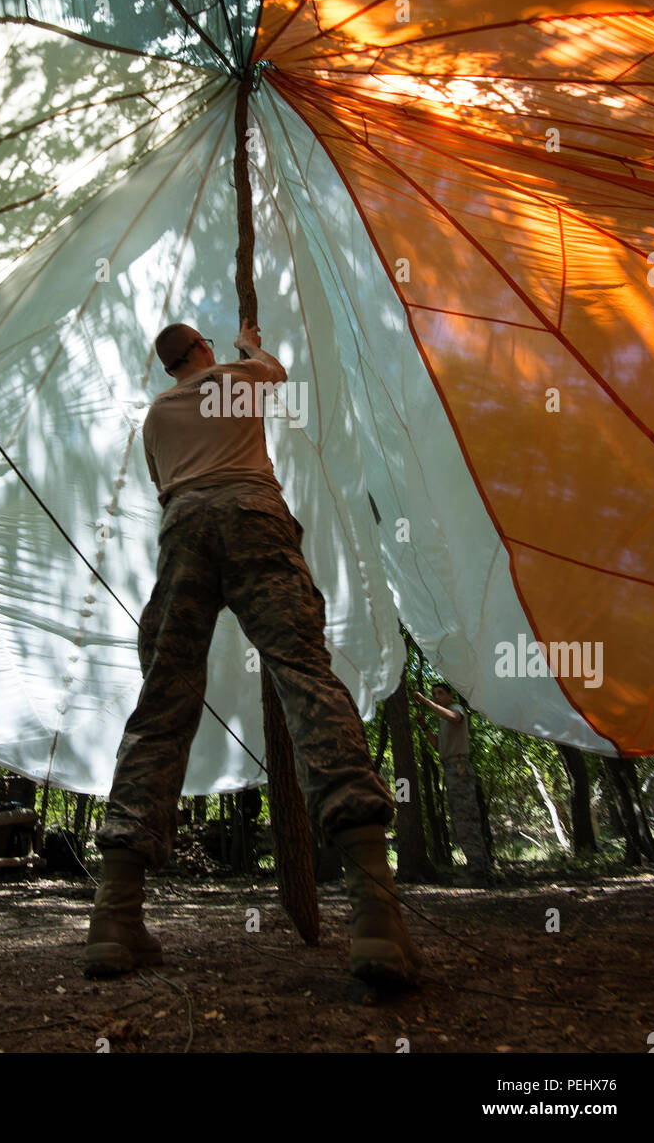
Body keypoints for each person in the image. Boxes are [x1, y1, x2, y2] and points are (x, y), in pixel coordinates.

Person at [85, 318, 422, 987]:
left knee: (161, 705)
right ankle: (376, 916)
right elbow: (278, 379)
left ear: (165, 367)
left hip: (183, 528)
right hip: (253, 514)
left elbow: (167, 488)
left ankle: (114, 918)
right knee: (305, 678)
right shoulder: (233, 379)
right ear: (203, 350)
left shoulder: (156, 414)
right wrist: (247, 348)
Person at [414, 682, 492, 882]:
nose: (437, 697)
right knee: (460, 819)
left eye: (440, 693)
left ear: (450, 696)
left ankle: (480, 871)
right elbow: (439, 746)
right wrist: (425, 728)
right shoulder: (443, 720)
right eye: (434, 694)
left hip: (459, 768)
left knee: (466, 819)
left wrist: (426, 702)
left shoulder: (455, 709)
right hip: (450, 768)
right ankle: (478, 868)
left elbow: (455, 718)